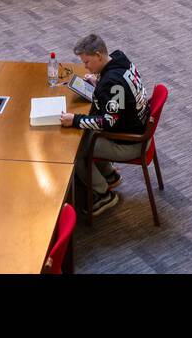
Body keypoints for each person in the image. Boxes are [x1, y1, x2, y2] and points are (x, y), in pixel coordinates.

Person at [60, 33, 150, 218]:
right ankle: (109, 174)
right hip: (135, 125)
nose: (85, 66)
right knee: (87, 136)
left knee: (76, 154)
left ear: (99, 55)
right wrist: (98, 83)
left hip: (129, 143)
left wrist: (74, 120)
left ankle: (103, 194)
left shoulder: (112, 83)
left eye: (87, 62)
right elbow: (119, 99)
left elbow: (108, 121)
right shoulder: (119, 58)